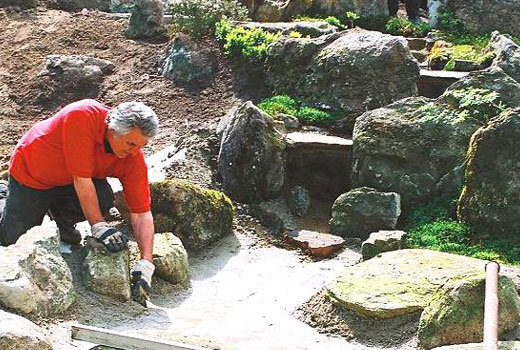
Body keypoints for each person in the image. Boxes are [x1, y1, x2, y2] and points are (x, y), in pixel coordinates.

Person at [0, 99, 159, 306]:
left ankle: (61, 223)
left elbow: (141, 212)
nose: (135, 151)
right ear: (113, 130)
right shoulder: (82, 116)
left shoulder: (132, 156)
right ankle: (4, 194)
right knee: (11, 239)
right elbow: (81, 180)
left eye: (141, 146)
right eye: (131, 144)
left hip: (69, 182)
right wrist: (99, 227)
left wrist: (146, 263)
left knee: (102, 200)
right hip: (34, 172)